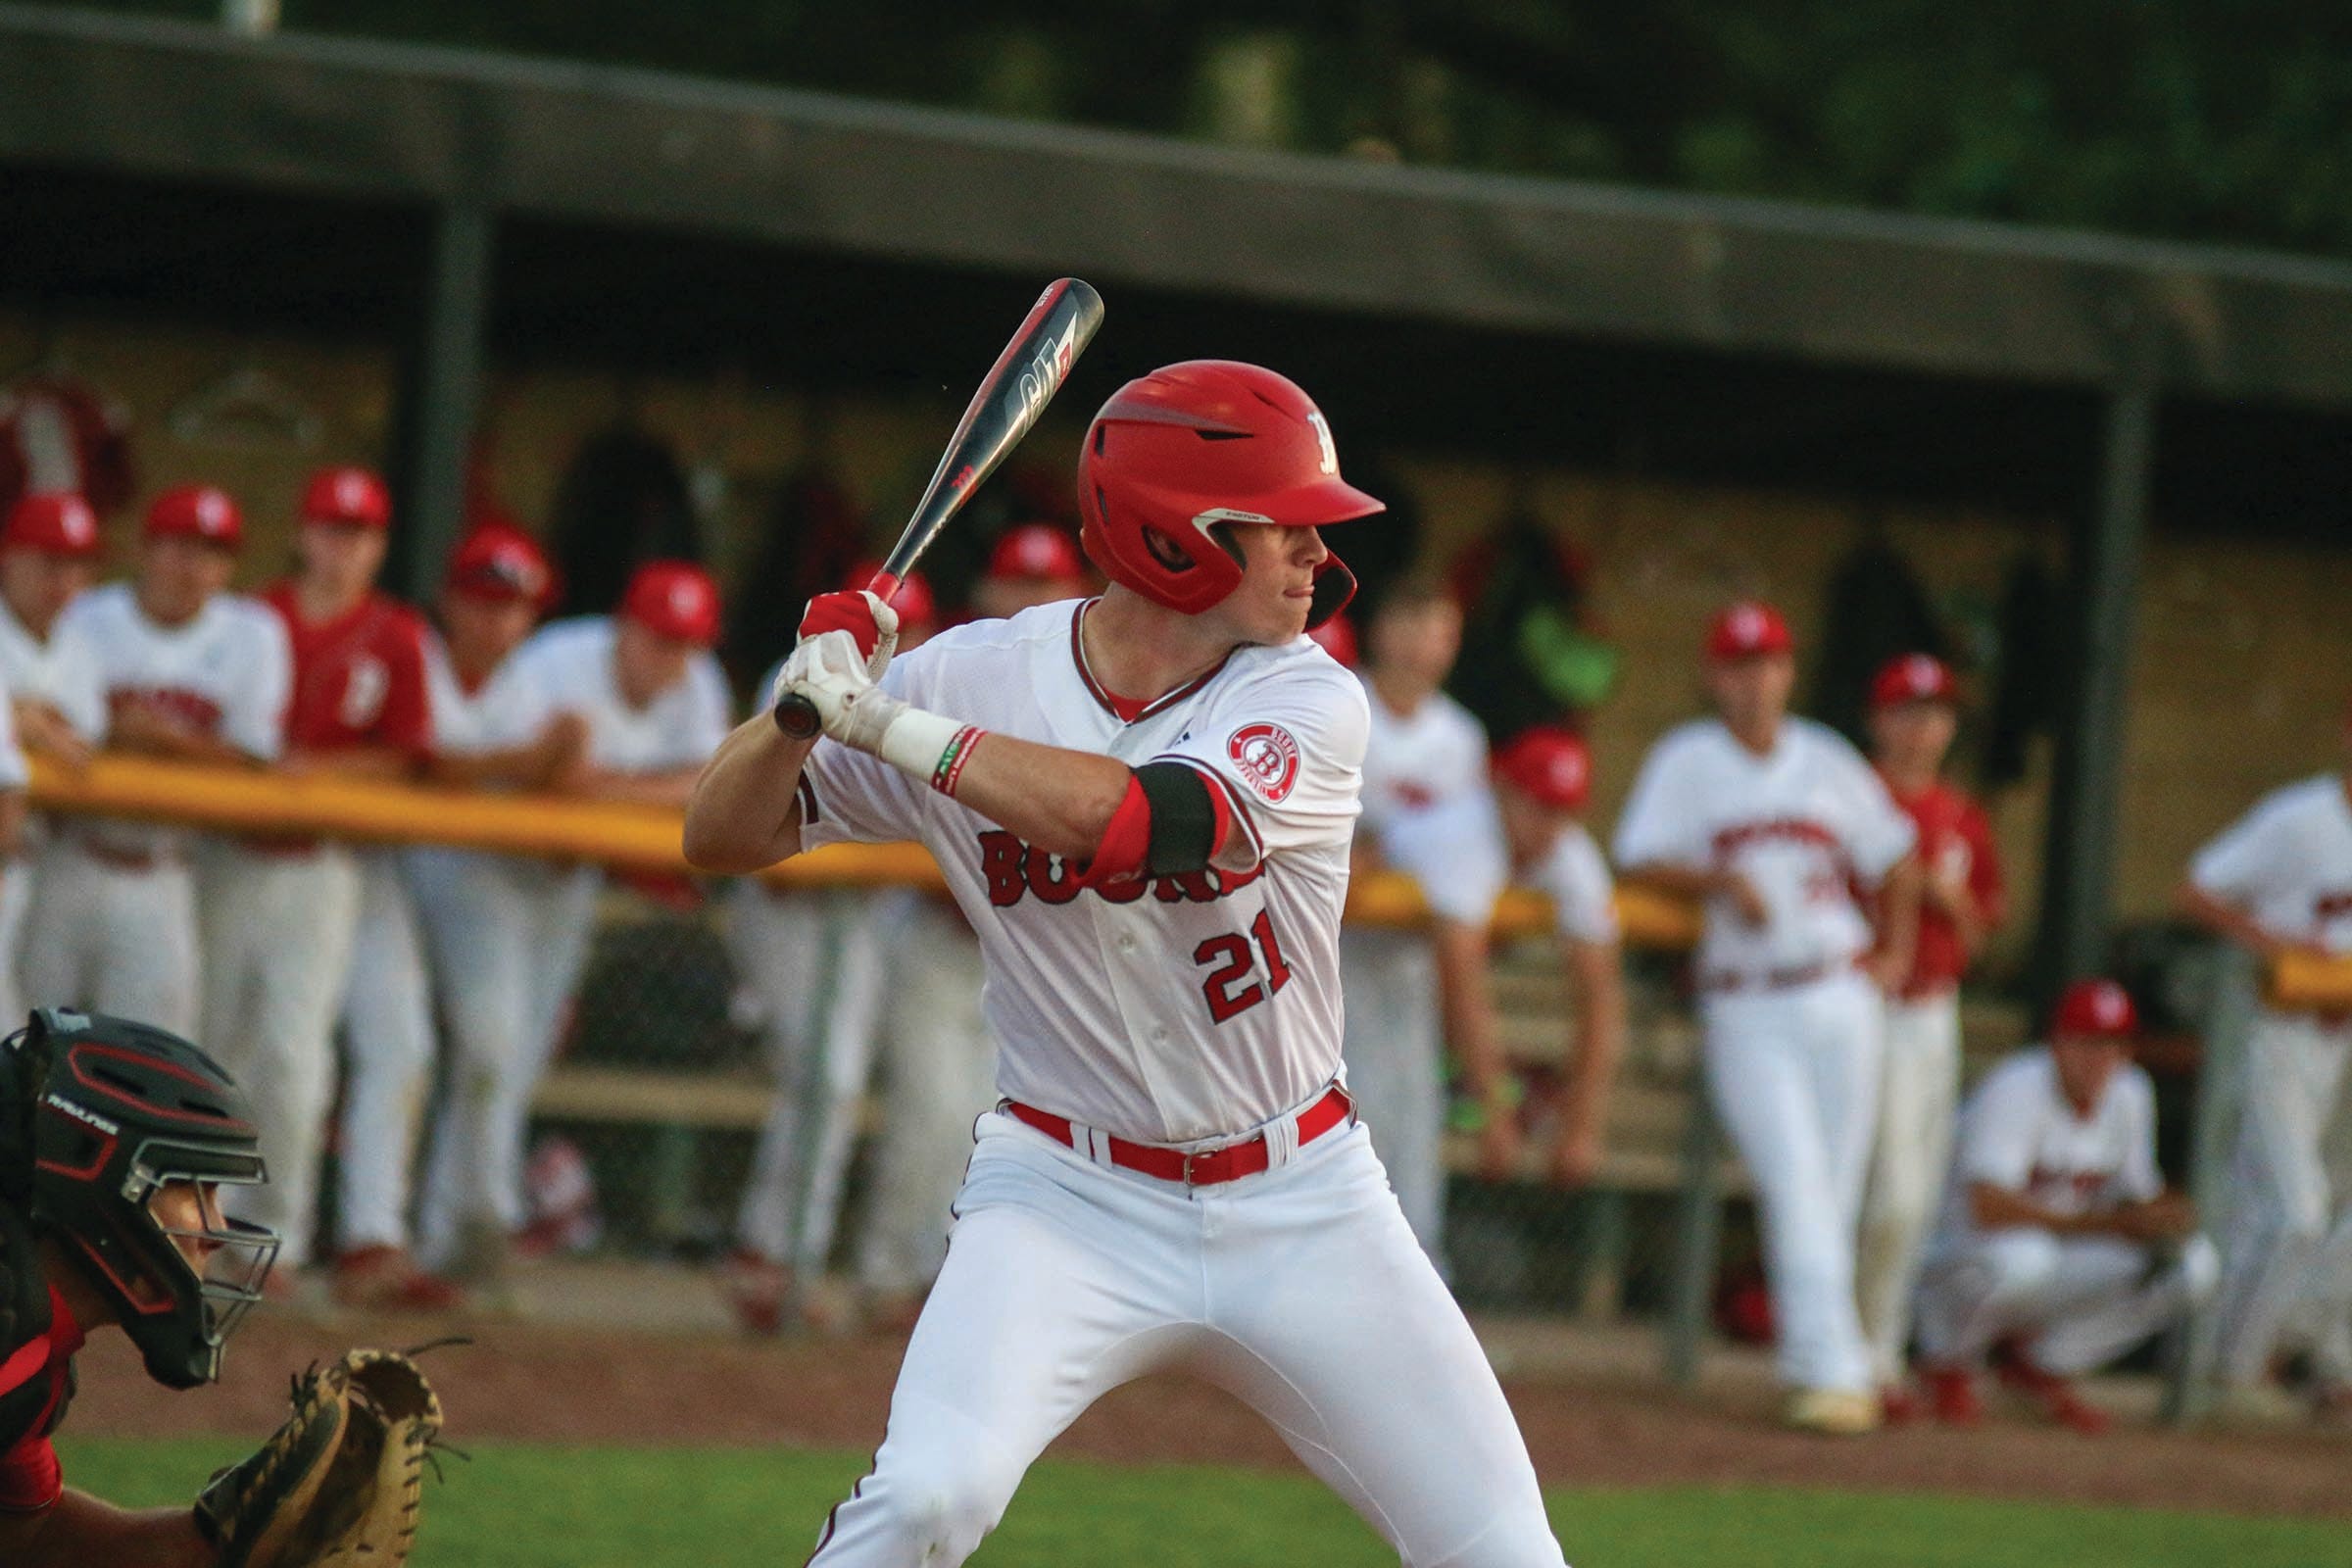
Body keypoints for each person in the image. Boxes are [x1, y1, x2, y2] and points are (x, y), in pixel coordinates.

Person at [686, 359, 1568, 1567]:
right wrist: (797, 709)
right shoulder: (972, 674)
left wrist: (881, 718)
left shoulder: (1312, 696)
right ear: (1174, 538)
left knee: (1506, 1552)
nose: (1318, 552)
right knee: (929, 1496)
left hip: (1302, 1198)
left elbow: (1145, 823)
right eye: (1285, 524)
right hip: (1064, 1193)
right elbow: (721, 834)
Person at [1612, 600, 1921, 1435]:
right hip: (1747, 999)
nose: (1755, 681)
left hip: (1838, 989)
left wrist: (1895, 953)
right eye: (1739, 666)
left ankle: (1828, 1363)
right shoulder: (1687, 759)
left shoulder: (1824, 756)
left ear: (1787, 672)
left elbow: (1896, 857)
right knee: (1797, 1182)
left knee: (1836, 1193)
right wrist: (1719, 882)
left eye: (1769, 664)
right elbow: (1635, 858)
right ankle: (1833, 1372)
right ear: (1714, 677)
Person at [415, 557, 729, 1286]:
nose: (670, 658)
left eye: (684, 644)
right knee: (488, 1047)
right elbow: (548, 780)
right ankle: (467, 1222)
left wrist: (606, 790)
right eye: (658, 639)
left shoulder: (698, 683)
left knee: (518, 1057)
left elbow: (710, 784)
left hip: (566, 880)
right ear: (625, 628)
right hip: (485, 867)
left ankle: (463, 1233)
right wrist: (627, 790)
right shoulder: (556, 663)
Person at [721, 570, 995, 1335]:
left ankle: (878, 1270)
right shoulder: (802, 677)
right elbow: (765, 828)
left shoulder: (931, 694)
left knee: (942, 1103)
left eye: (910, 632)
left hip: (874, 915)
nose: (900, 647)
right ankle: (773, 1256)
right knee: (829, 1077)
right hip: (799, 908)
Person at [255, 466, 458, 1309]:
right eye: (332, 530)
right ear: (303, 533)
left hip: (350, 861)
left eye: (361, 534)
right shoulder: (256, 620)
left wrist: (320, 773)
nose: (343, 549)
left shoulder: (397, 633)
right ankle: (224, 1237)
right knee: (251, 1051)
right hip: (236, 856)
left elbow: (412, 756)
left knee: (381, 1048)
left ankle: (358, 1238)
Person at [0, 1006, 279, 1567]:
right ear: (98, 1170)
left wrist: (219, 1545)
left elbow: (28, 1540)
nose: (216, 1231)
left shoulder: (30, 1356)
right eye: (194, 1188)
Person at [29, 486, 288, 1039]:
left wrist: (164, 739)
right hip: (68, 853)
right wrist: (114, 732)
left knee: (145, 1056)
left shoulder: (254, 633)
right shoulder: (87, 615)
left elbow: (255, 766)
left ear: (229, 567)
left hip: (165, 868)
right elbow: (46, 723)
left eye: (212, 552)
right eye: (179, 546)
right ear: (145, 550)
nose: (192, 567)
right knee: (32, 1043)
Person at [1911, 980, 2217, 1434]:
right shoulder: (2017, 1086)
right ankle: (1948, 1362)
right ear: (2057, 1043)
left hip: (2053, 1251)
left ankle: (2042, 1365)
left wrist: (2161, 1214)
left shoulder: (2130, 1092)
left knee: (2192, 1264)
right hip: (1957, 1258)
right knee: (2023, 1258)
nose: (2100, 1058)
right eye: (2087, 1043)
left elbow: (2134, 1193)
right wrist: (2111, 1223)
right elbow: (1988, 1208)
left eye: (2113, 1045)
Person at [2180, 703, 2352, 1417]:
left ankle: (2314, 1355)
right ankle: (2232, 1370)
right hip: (2281, 1027)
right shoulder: (2299, 816)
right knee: (2292, 1211)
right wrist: (2278, 947)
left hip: (2344, 1036)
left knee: (2333, 1212)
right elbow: (2196, 889)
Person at [1339, 575, 1513, 1267]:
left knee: (1412, 1125)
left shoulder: (1461, 736)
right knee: (1343, 1117)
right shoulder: (1344, 703)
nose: (1420, 644)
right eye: (1409, 623)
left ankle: (1413, 1279)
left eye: (1438, 630)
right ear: (1381, 630)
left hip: (1412, 959)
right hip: (1333, 950)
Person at [1856, 654, 2005, 1418]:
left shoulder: (1960, 815)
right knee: (1884, 1193)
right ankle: (1862, 1353)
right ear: (1878, 720)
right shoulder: (1853, 793)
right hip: (1865, 1008)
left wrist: (1947, 900)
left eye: (1935, 714)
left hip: (1933, 1010)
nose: (1921, 729)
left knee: (1915, 1197)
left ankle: (1881, 1351)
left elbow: (1982, 934)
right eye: (1907, 712)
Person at [1488, 727, 1627, 1189]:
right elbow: (1456, 973)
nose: (1550, 825)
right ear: (1504, 792)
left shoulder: (1574, 857)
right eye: (1539, 805)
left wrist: (1582, 1126)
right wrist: (1492, 1110)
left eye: (1562, 810)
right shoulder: (1463, 831)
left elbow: (1601, 994)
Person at [0, 494, 104, 1024]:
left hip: (45, 856)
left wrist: (27, 717)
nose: (62, 580)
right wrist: (22, 715)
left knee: (33, 1026)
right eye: (49, 561)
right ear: (9, 558)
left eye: (76, 565)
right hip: (15, 847)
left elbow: (83, 740)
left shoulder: (80, 645)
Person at [969, 522, 1092, 620]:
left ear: (1077, 591)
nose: (1032, 600)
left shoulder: (1094, 642)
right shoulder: (962, 639)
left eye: (1043, 585)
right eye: (1019, 584)